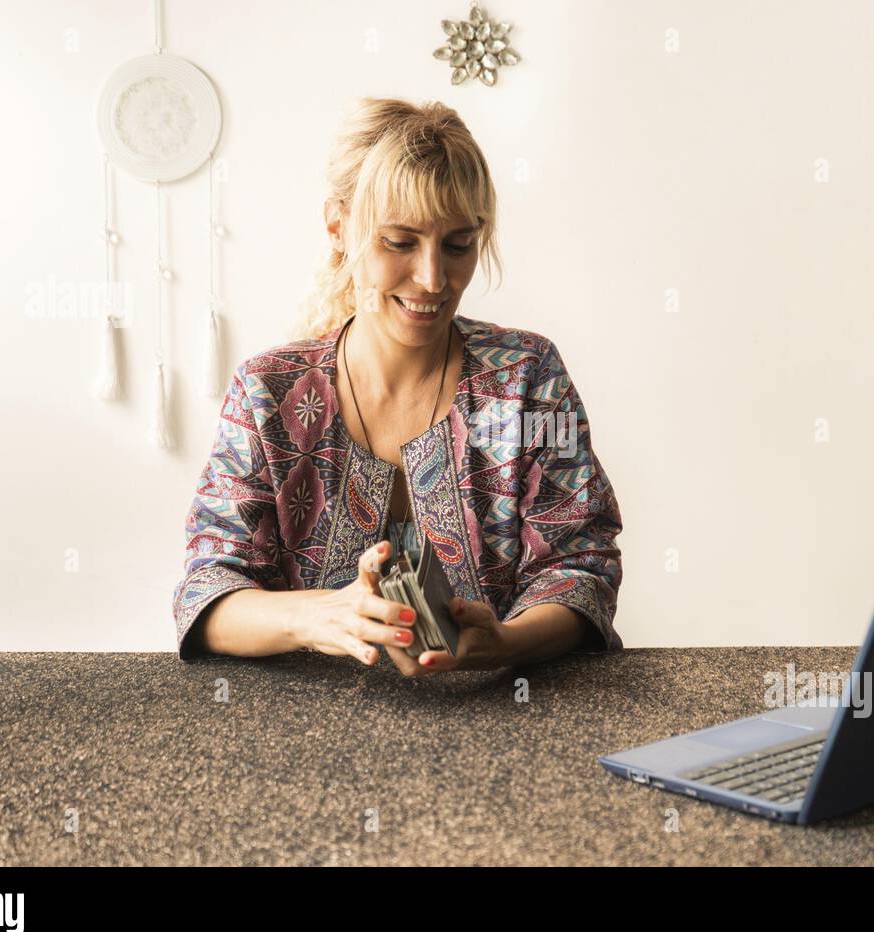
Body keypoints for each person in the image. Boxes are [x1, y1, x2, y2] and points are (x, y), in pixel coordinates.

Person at [171, 97, 623, 675]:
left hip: (506, 718)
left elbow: (582, 567)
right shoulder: (268, 392)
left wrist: (506, 645)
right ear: (339, 226)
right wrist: (322, 616)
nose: (434, 278)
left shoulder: (528, 376)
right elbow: (206, 592)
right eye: (400, 242)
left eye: (458, 244)